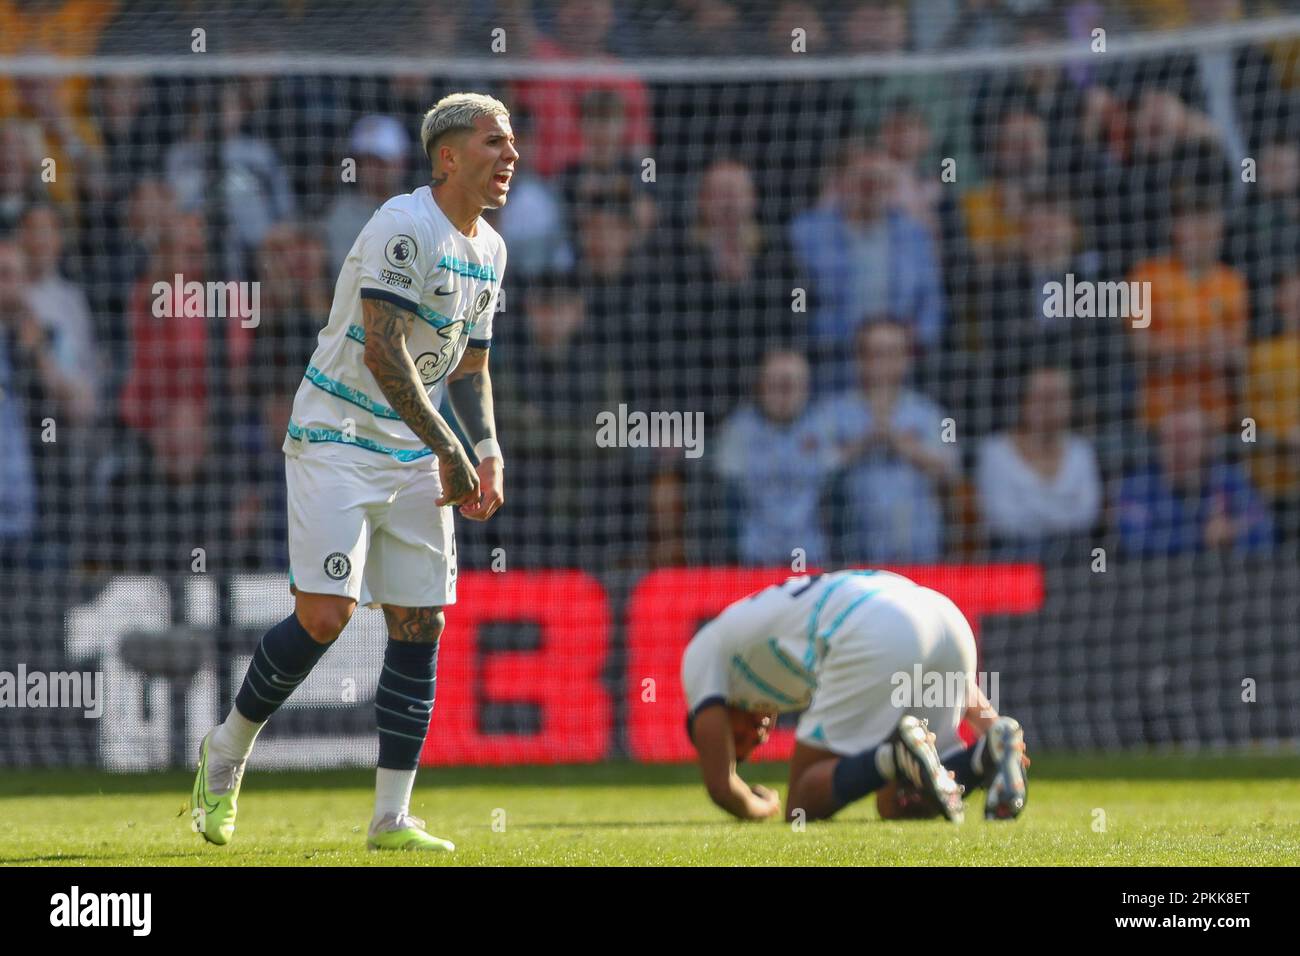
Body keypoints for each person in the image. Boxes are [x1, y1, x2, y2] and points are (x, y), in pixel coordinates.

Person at [191, 92, 516, 853]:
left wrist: (489, 448)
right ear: (447, 156)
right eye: (494, 143)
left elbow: (471, 366)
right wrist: (450, 448)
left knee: (420, 621)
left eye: (512, 144)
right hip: (337, 434)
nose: (510, 157)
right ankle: (228, 751)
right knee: (326, 615)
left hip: (413, 449)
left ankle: (390, 819)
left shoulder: (491, 250)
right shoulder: (405, 226)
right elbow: (382, 349)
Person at [681, 570, 1029, 823]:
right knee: (896, 804)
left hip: (873, 625)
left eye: (738, 736)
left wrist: (760, 806)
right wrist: (992, 724)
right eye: (753, 744)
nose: (757, 734)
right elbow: (915, 641)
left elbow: (721, 786)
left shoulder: (702, 653)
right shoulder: (768, 652)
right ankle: (987, 753)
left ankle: (892, 755)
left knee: (800, 804)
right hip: (944, 618)